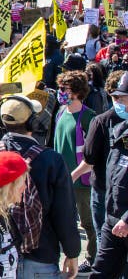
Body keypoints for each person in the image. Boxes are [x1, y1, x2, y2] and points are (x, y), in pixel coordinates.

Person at [0, 83, 80, 278]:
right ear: (33, 124)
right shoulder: (52, 159)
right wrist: (72, 253)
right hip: (40, 257)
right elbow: (65, 211)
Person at [73, 70, 127, 270]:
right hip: (107, 197)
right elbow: (91, 159)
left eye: (122, 97)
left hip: (118, 202)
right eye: (115, 97)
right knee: (105, 261)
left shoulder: (101, 120)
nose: (118, 102)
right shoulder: (103, 122)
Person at [54, 70, 97, 272]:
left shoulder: (89, 117)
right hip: (63, 179)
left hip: (82, 181)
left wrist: (75, 175)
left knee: (88, 222)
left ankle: (93, 257)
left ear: (78, 92)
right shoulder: (61, 113)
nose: (60, 92)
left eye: (65, 89)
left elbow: (94, 155)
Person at [89, 71, 128, 277]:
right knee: (101, 272)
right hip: (112, 219)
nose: (118, 102)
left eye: (123, 97)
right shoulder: (120, 131)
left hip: (125, 220)